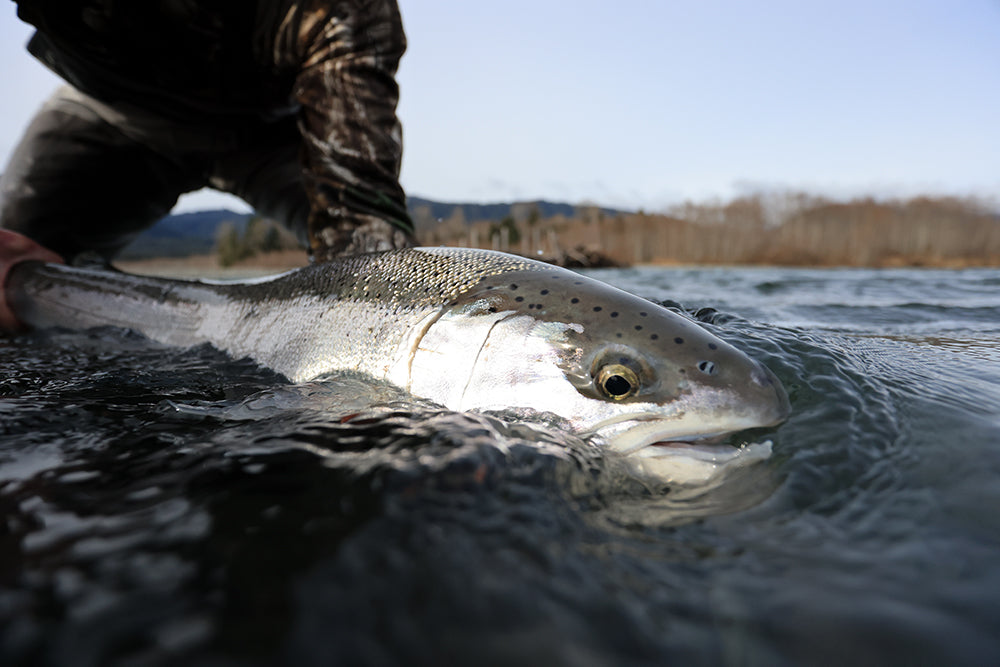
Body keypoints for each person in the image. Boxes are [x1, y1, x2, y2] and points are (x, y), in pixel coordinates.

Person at [0, 0, 416, 331]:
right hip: (114, 115)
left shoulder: (346, 8)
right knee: (9, 274)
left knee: (385, 280)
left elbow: (360, 211)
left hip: (276, 135)